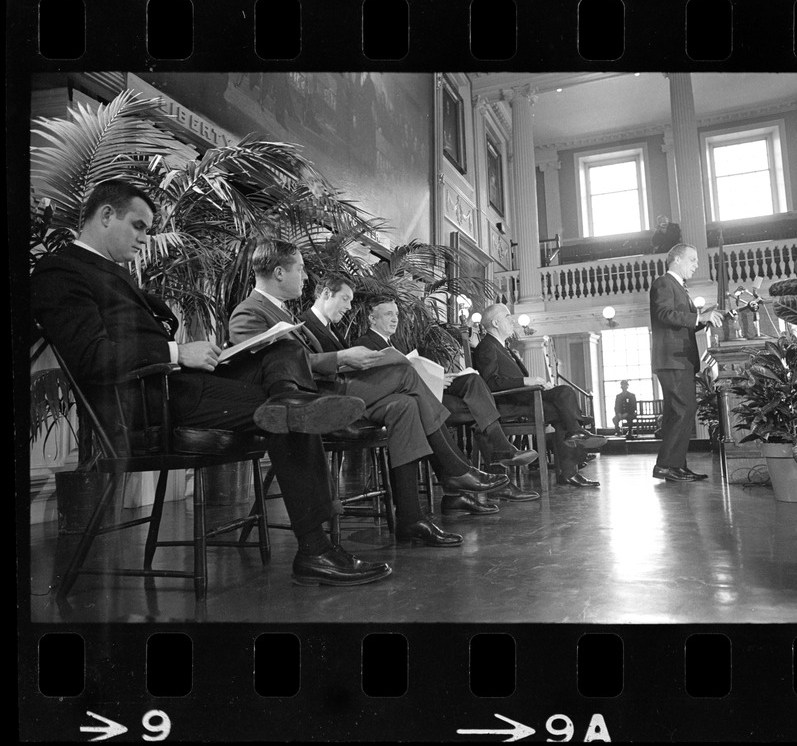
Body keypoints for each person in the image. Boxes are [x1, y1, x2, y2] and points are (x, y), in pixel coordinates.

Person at [30, 180, 392, 587]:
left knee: (283, 350)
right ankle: (316, 549)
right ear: (106, 215)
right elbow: (91, 357)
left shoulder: (109, 271)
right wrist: (175, 353)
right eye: (139, 226)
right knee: (287, 415)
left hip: (174, 387)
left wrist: (193, 354)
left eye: (147, 230)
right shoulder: (61, 272)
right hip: (145, 403)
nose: (145, 239)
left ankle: (292, 403)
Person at [228, 240, 511, 547]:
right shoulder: (250, 312)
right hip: (312, 402)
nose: (306, 277)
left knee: (405, 405)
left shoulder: (281, 312)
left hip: (332, 388)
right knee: (405, 373)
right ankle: (453, 469)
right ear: (280, 273)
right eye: (300, 269)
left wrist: (347, 359)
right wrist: (340, 359)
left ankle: (412, 519)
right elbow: (269, 372)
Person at [354, 297, 541, 511]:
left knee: (472, 380)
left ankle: (471, 481)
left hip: (427, 393)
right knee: (478, 410)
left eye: (396, 314)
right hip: (409, 400)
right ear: (371, 318)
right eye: (388, 314)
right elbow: (379, 383)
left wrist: (441, 377)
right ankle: (483, 475)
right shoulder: (364, 343)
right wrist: (425, 379)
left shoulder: (396, 344)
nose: (395, 319)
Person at [475, 303, 609, 488]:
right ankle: (575, 443)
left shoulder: (503, 347)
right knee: (565, 393)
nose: (512, 320)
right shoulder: (486, 347)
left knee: (563, 405)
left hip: (524, 398)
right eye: (507, 316)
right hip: (509, 403)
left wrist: (534, 384)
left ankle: (574, 442)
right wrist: (527, 381)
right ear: (496, 323)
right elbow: (490, 384)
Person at [649, 243, 723, 482]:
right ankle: (665, 466)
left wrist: (706, 319)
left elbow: (684, 321)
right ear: (677, 260)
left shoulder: (680, 288)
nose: (696, 265)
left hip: (681, 360)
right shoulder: (664, 283)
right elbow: (664, 314)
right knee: (684, 411)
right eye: (692, 260)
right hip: (673, 360)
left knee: (677, 413)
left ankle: (676, 465)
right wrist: (698, 317)